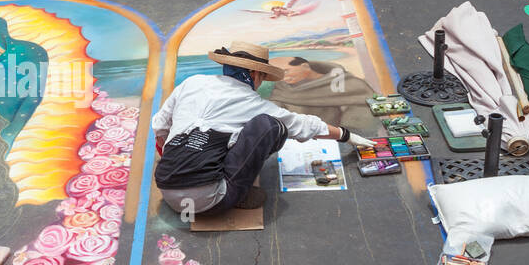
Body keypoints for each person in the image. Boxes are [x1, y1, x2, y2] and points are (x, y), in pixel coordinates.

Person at [152, 41, 369, 216]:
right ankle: (238, 193)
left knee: (210, 137)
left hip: (167, 188)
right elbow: (304, 125)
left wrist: (179, 157)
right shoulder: (253, 103)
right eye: (263, 77)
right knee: (270, 126)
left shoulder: (193, 82)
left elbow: (160, 126)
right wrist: (346, 135)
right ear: (256, 75)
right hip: (211, 202)